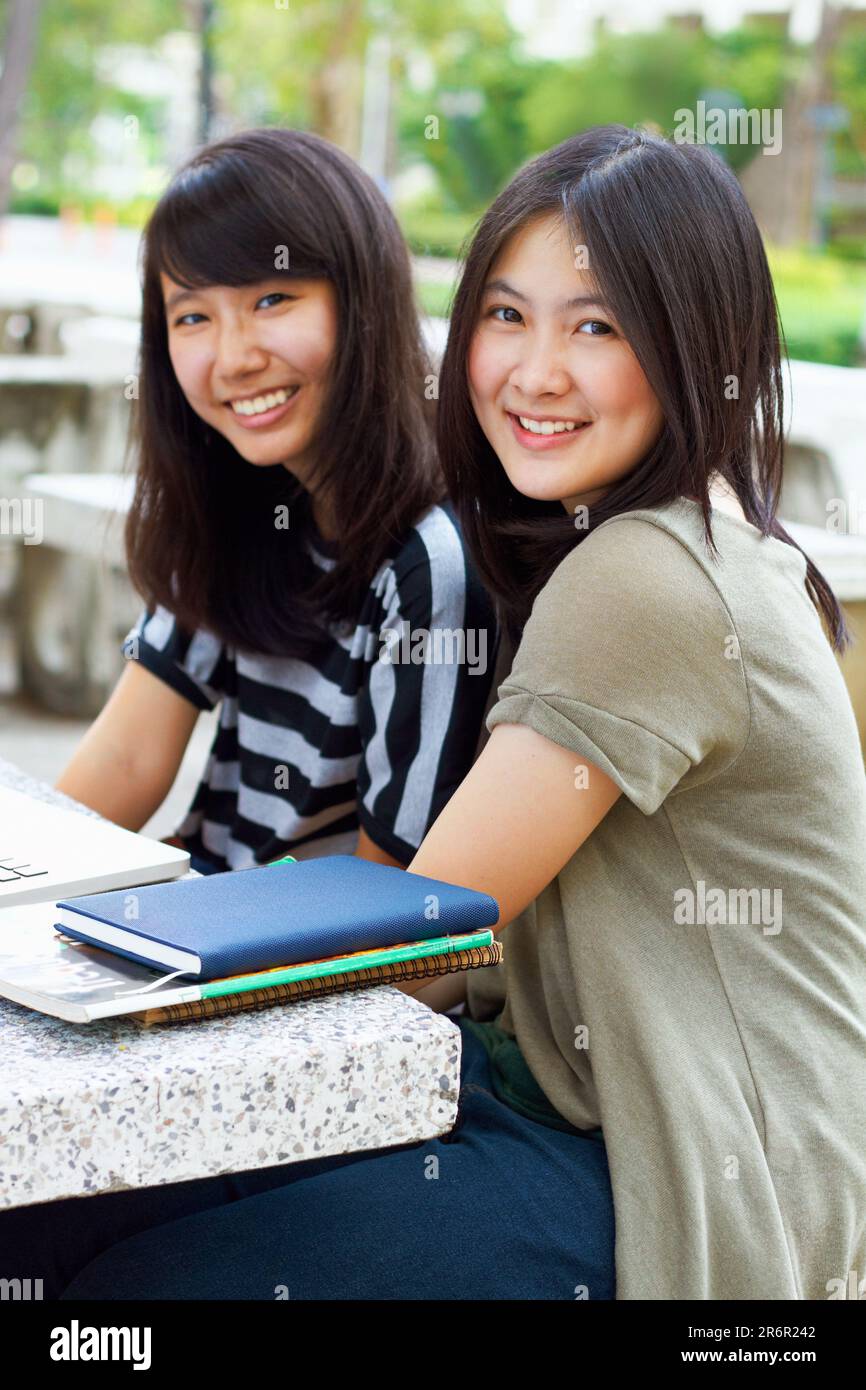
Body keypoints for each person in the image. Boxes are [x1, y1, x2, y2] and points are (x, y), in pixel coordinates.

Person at [8, 124, 865, 1301]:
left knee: (130, 1291)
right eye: (505, 317)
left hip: (669, 1173)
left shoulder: (642, 580)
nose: (533, 371)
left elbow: (413, 934)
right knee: (44, 1219)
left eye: (597, 326)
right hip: (528, 1092)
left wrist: (109, 999)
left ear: (692, 343)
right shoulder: (623, 543)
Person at [54, 127, 499, 875]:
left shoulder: (431, 564)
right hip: (202, 930)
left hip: (311, 973)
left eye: (272, 299)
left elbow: (388, 900)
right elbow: (128, 760)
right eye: (193, 316)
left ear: (363, 301)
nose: (234, 358)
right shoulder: (231, 501)